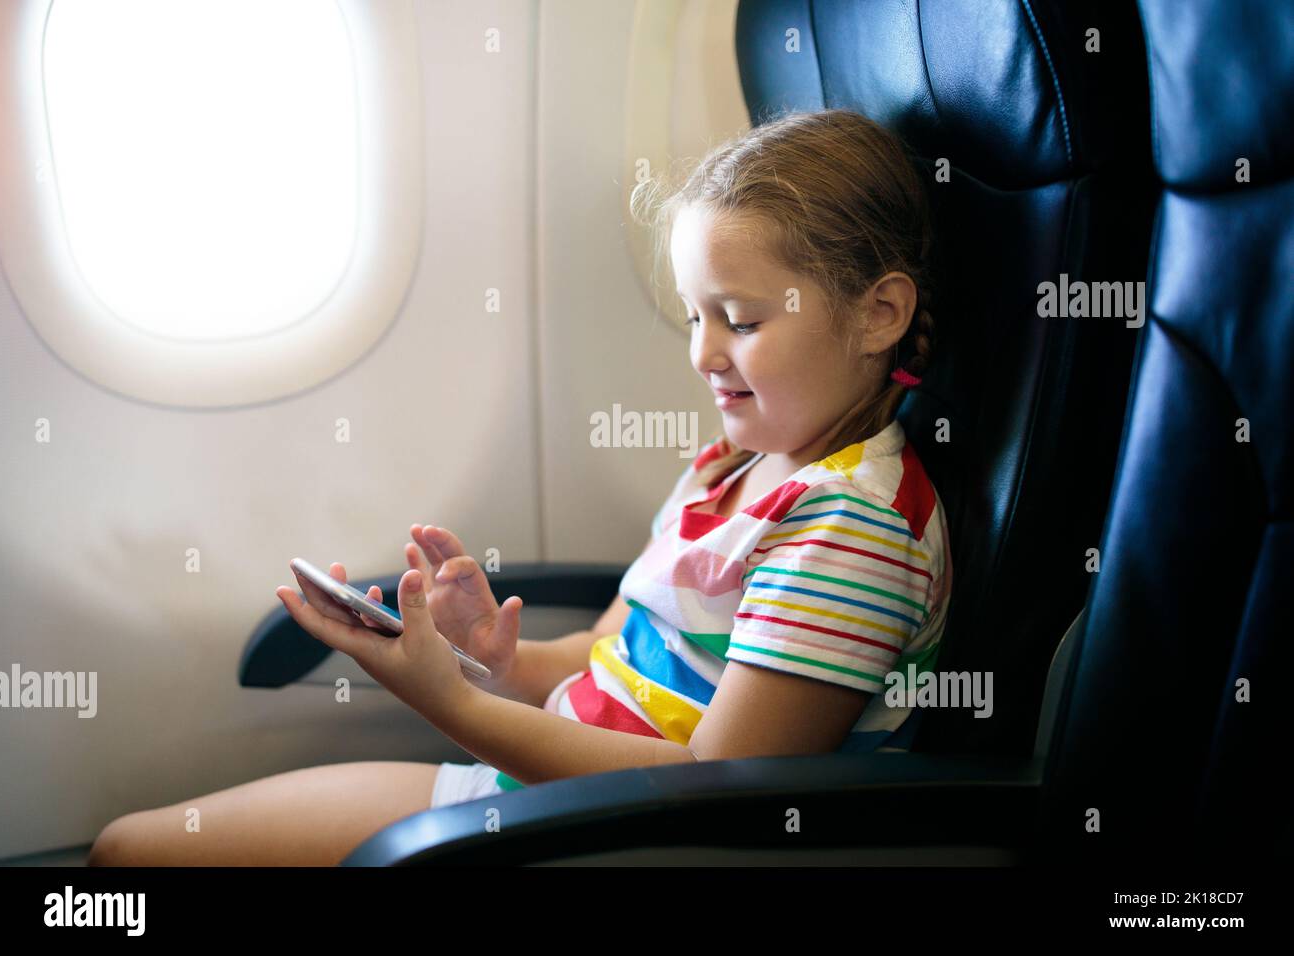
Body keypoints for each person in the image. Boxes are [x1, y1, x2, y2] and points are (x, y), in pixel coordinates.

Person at [88, 108, 951, 865]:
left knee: (131, 854)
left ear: (880, 314)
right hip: (551, 798)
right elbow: (602, 659)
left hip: (617, 837)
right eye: (695, 316)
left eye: (744, 319)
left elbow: (724, 793)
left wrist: (451, 701)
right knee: (129, 848)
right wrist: (491, 660)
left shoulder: (851, 531)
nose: (702, 352)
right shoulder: (730, 471)